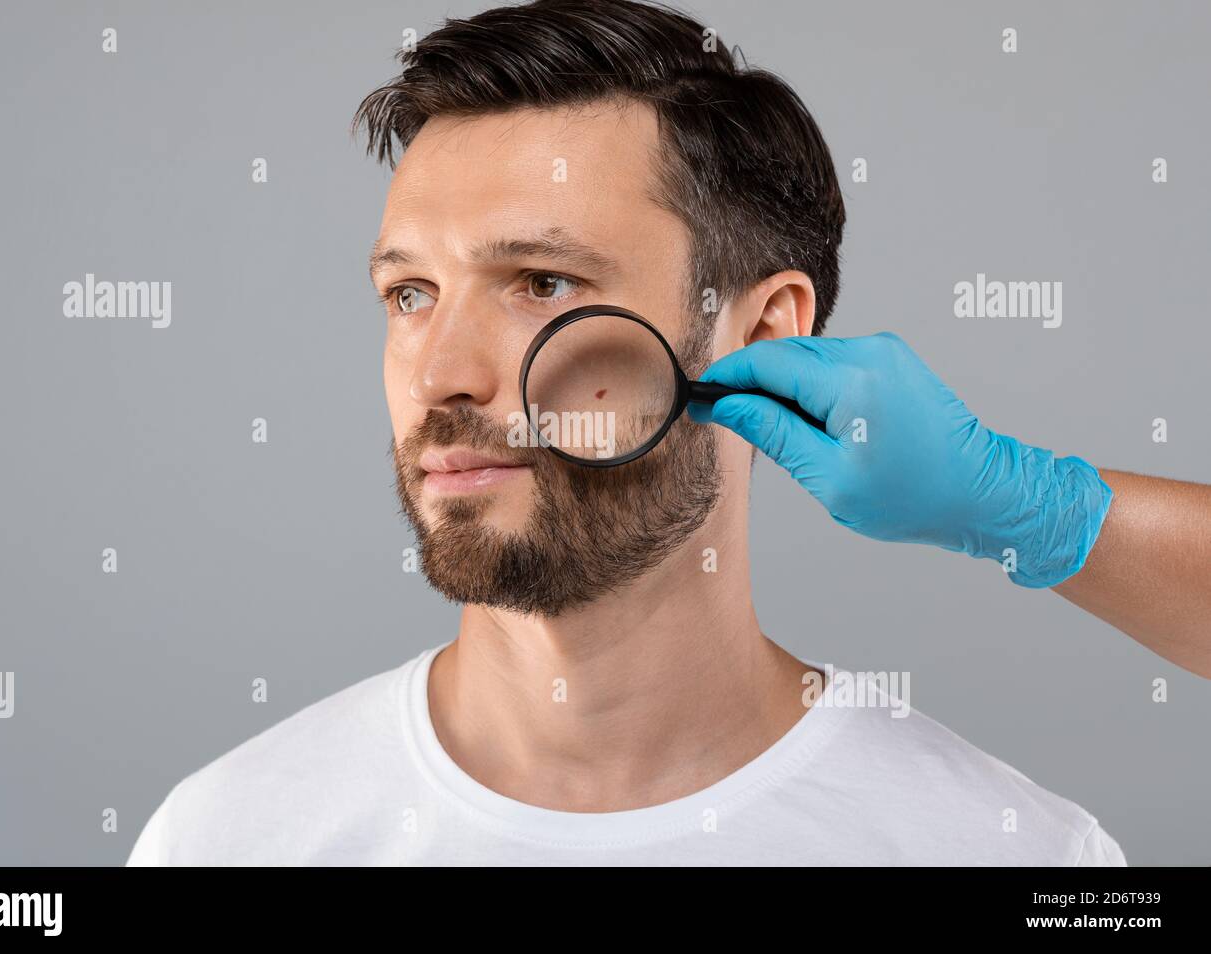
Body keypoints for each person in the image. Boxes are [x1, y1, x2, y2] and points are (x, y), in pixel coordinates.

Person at [127, 0, 1135, 866]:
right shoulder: (225, 839)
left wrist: (1044, 512)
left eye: (541, 284)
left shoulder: (1011, 854)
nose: (438, 374)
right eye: (410, 293)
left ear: (761, 333)